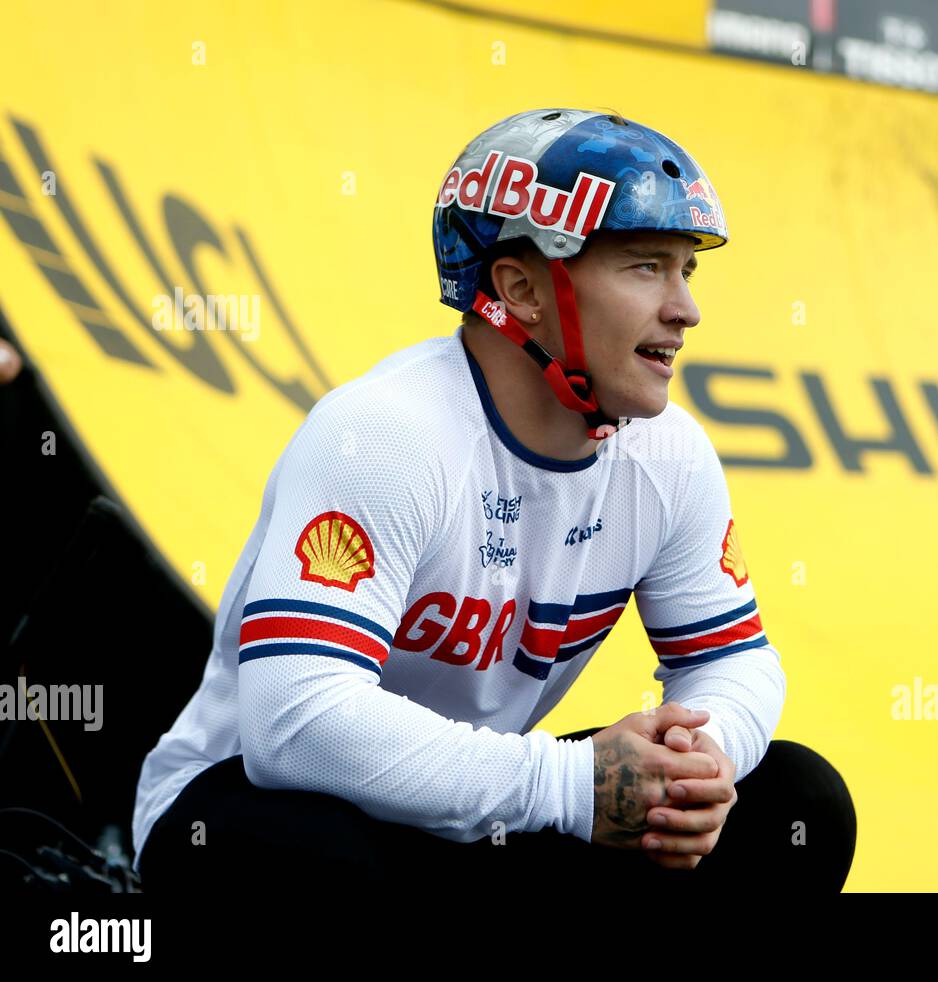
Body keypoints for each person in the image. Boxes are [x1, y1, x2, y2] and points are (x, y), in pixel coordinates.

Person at [132, 108, 856, 894]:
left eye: (687, 269)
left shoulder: (670, 453)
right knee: (329, 859)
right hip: (252, 810)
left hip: (483, 814)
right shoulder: (383, 433)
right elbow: (295, 727)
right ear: (520, 289)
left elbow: (734, 661)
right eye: (646, 266)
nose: (686, 309)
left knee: (796, 800)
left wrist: (693, 767)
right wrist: (570, 786)